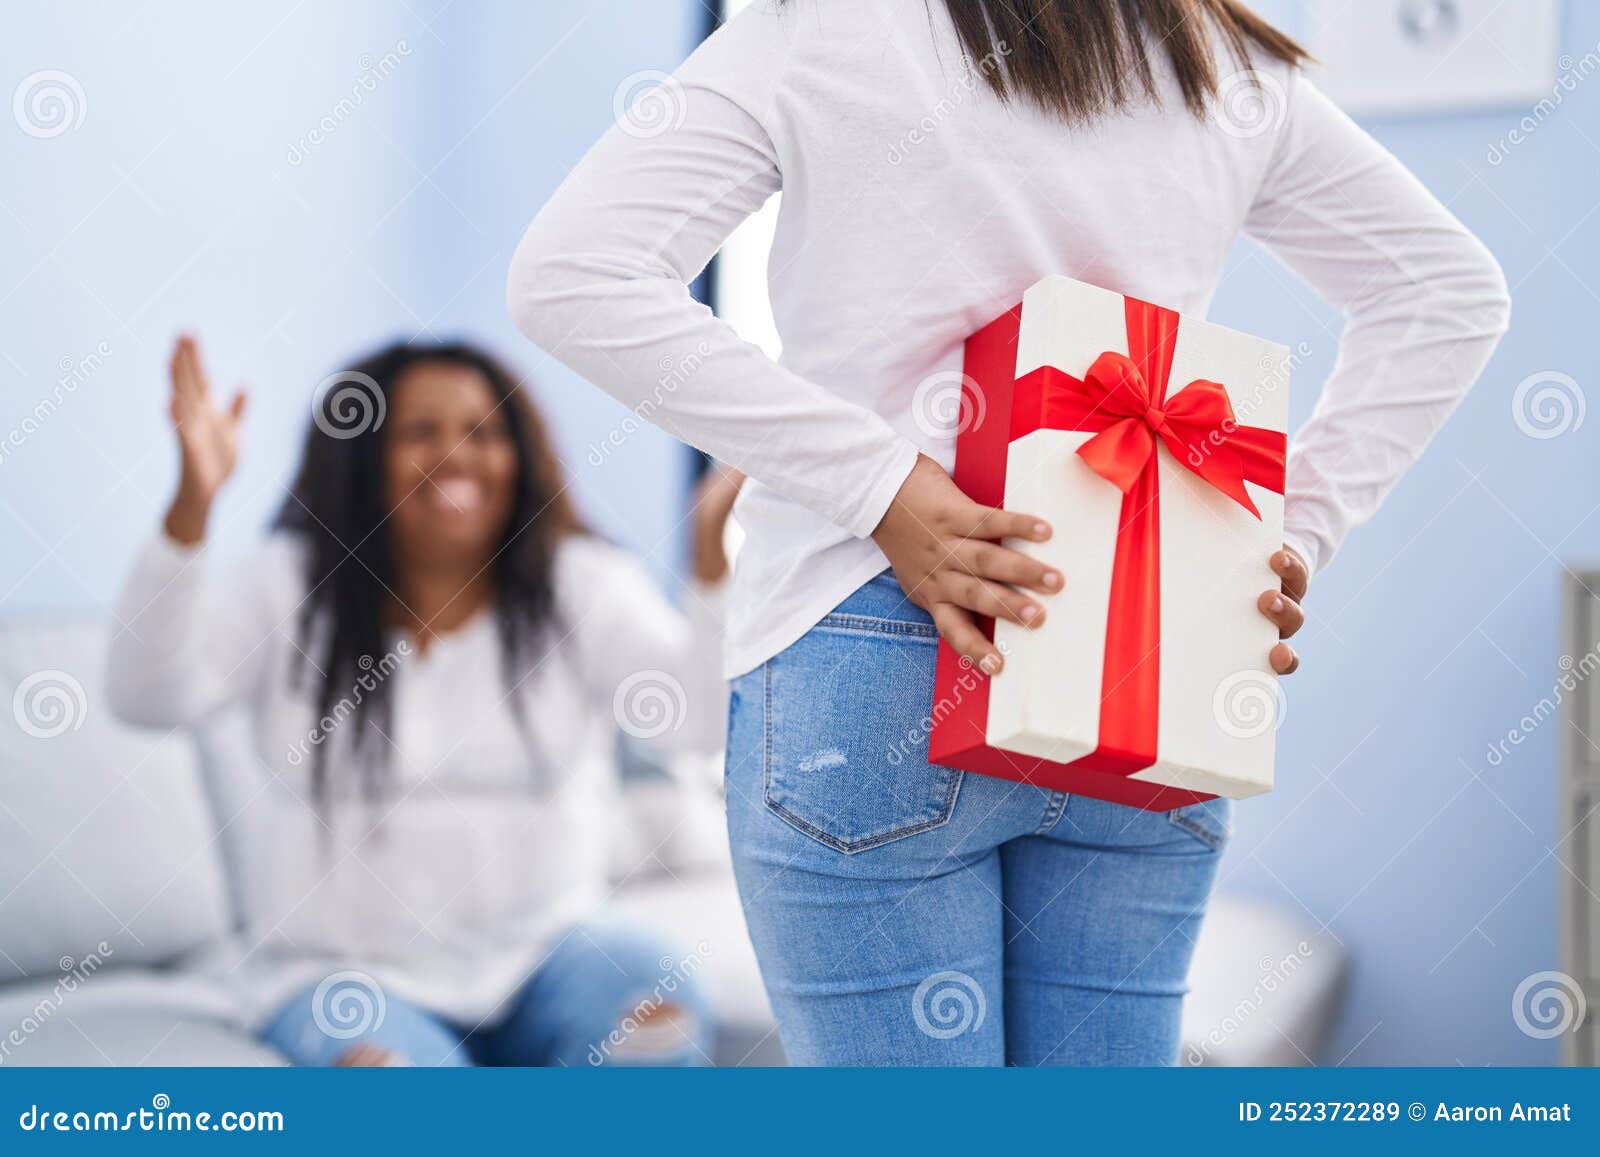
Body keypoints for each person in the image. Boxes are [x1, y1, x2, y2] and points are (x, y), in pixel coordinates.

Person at [506, 0, 1510, 1065]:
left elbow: (572, 275)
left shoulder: (828, 28)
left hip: (867, 639)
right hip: (1142, 658)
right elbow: (1448, 291)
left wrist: (883, 487)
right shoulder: (1221, 56)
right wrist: (1290, 534)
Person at [107, 335, 741, 1066]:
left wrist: (710, 559)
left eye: (483, 432)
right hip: (343, 977)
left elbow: (700, 723)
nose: (457, 456)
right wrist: (190, 511)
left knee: (656, 1006)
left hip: (544, 958)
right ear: (363, 458)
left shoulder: (580, 582)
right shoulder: (286, 583)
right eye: (421, 432)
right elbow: (146, 696)